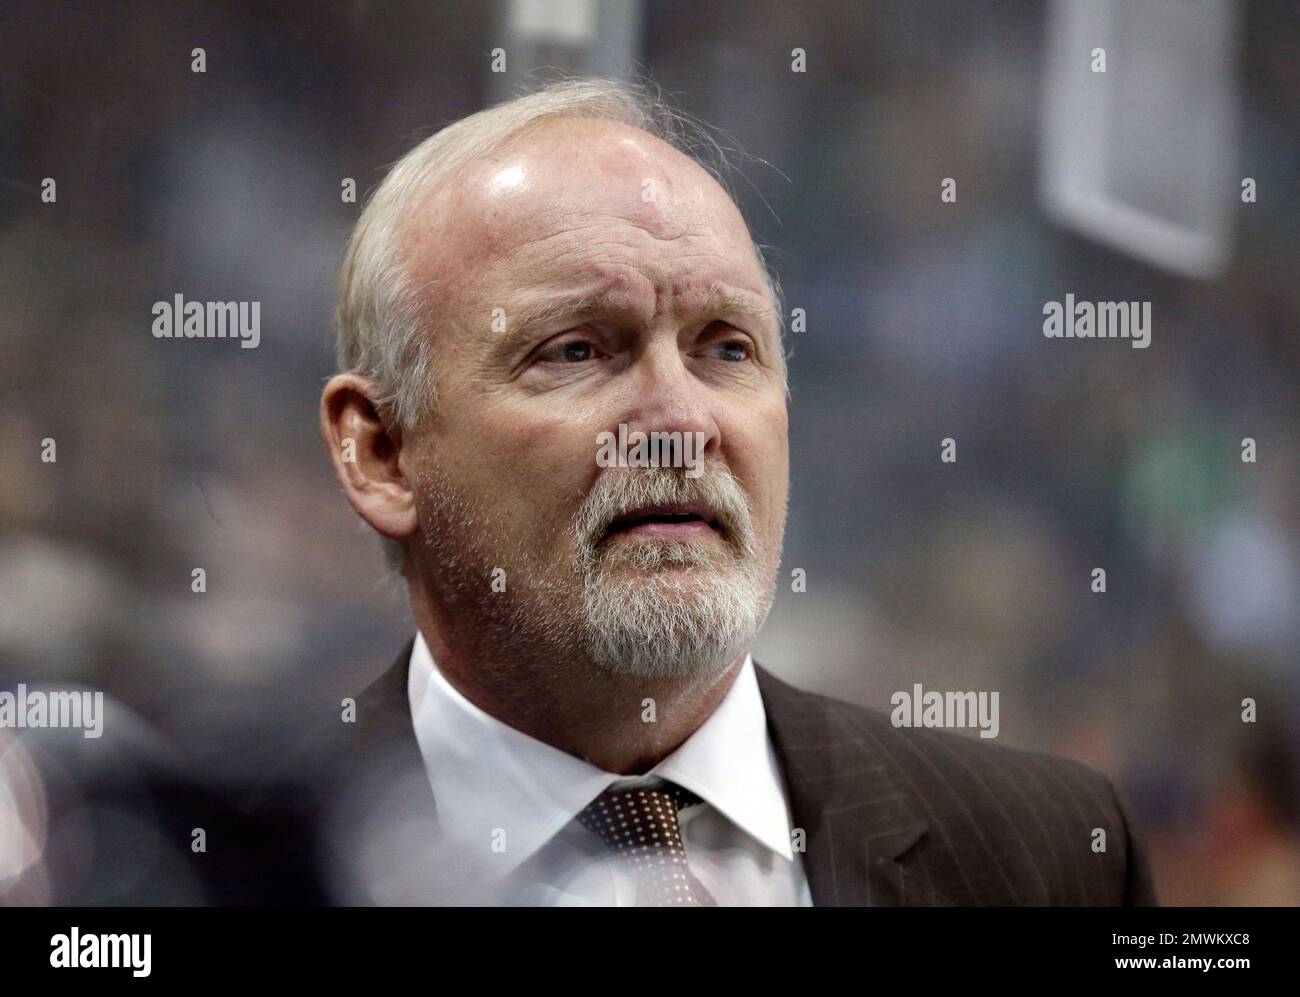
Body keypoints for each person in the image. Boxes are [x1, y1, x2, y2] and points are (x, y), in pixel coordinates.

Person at [252, 77, 1157, 906]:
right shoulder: (217, 868)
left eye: (727, 347)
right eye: (576, 349)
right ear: (381, 452)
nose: (684, 420)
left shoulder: (1054, 854)